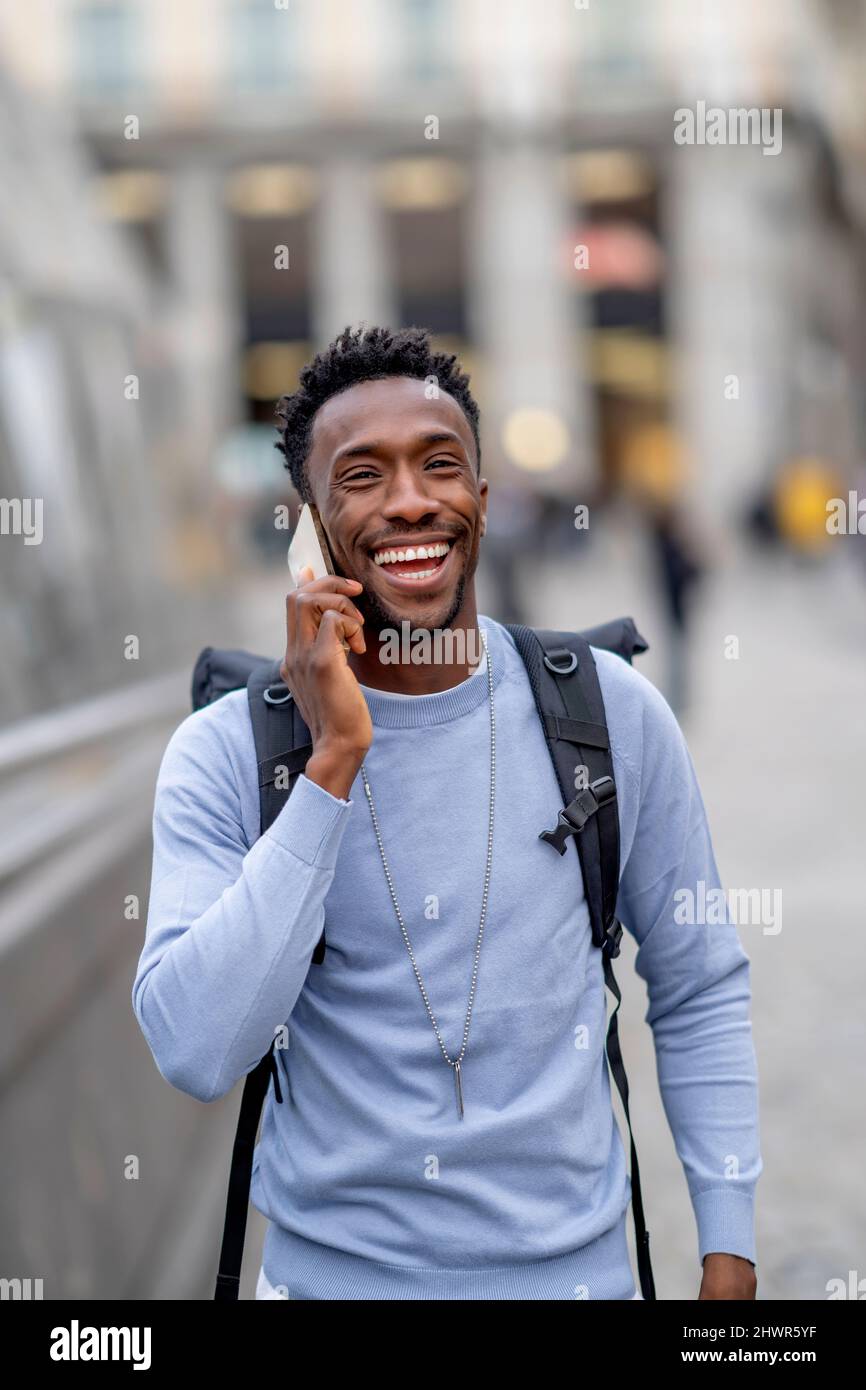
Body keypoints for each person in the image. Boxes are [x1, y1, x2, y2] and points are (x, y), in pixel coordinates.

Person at [132, 324, 761, 1301]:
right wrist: (332, 760)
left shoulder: (608, 714)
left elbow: (696, 985)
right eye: (362, 475)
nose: (411, 499)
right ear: (308, 523)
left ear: (480, 495)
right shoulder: (225, 753)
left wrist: (726, 1249)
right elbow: (198, 1049)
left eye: (440, 465)